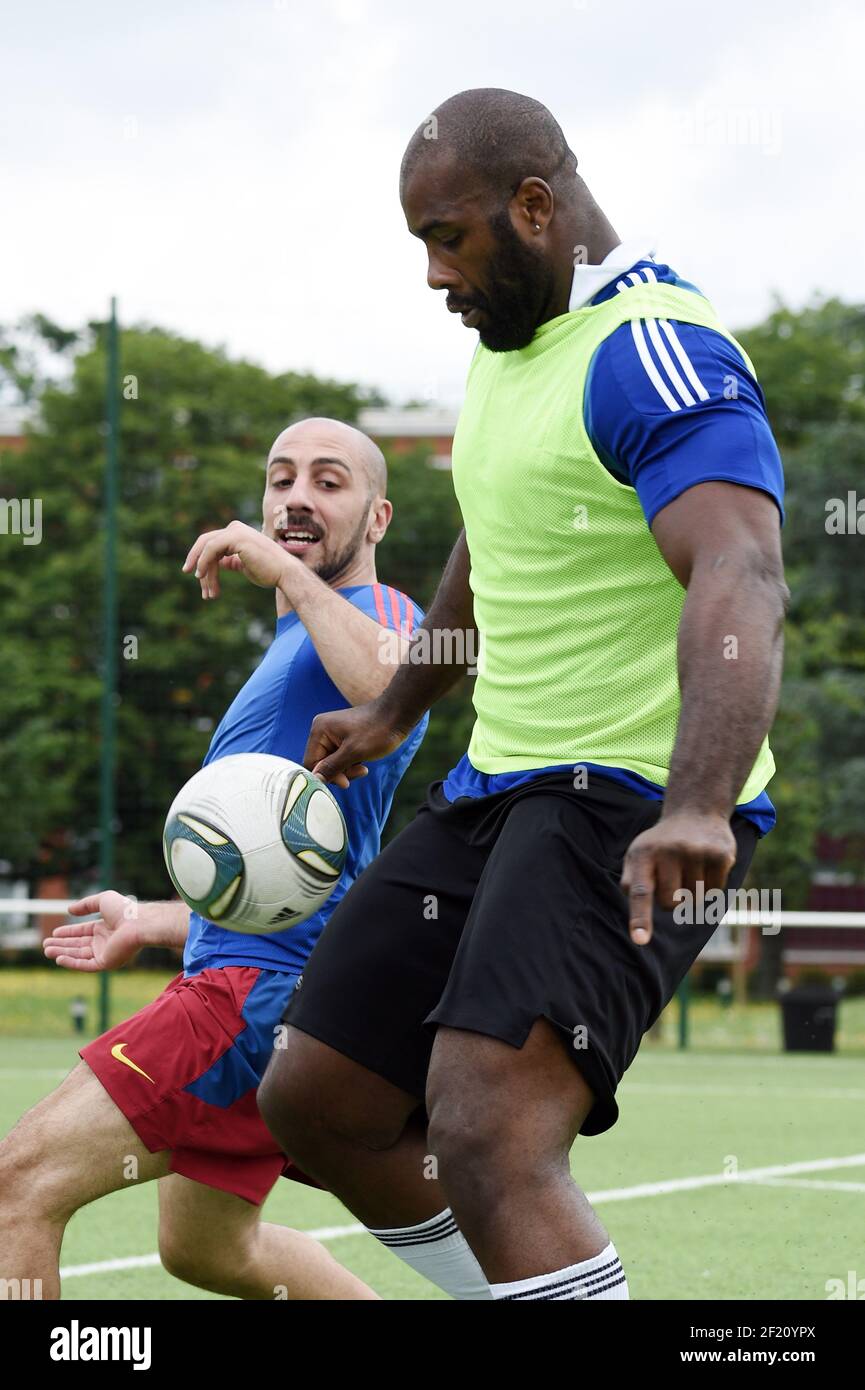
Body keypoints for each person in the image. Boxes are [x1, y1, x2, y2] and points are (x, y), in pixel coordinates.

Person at [257, 89, 789, 1303]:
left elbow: (740, 569)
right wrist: (400, 706)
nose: (437, 274)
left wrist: (700, 801)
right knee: (319, 1097)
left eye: (448, 237)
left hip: (631, 801)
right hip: (500, 787)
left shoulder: (651, 348)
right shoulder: (508, 352)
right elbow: (491, 544)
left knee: (487, 1126)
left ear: (536, 208)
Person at [0, 417, 427, 1301]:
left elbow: (393, 688)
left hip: (248, 999)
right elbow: (287, 883)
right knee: (208, 1252)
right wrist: (152, 921)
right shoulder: (284, 652)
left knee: (18, 1187)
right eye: (280, 479)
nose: (297, 495)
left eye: (328, 480)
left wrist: (292, 576)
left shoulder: (381, 616)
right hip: (271, 991)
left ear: (377, 518)